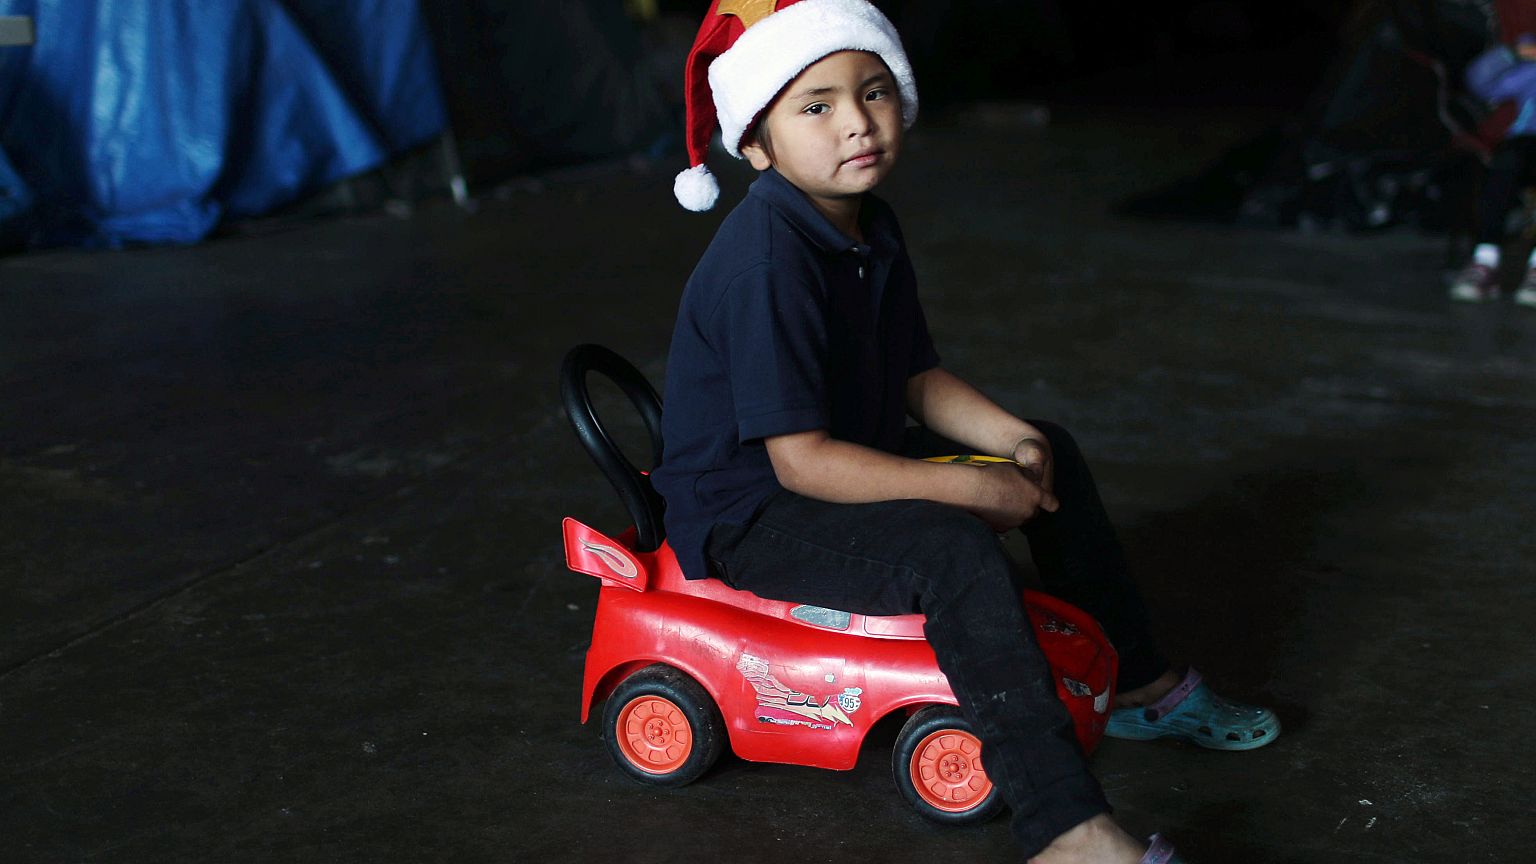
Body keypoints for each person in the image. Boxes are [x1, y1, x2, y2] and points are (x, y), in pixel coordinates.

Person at [651, 2, 1279, 862]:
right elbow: (798, 464)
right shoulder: (769, 263)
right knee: (949, 549)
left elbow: (914, 377)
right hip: (753, 508)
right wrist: (966, 485)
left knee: (1051, 446)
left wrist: (1012, 442)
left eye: (873, 92)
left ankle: (1141, 686)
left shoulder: (868, 224)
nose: (857, 123)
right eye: (816, 106)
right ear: (756, 145)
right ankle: (1068, 830)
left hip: (838, 458)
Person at [1450, 30, 1536, 306]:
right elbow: (1480, 82)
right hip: (1527, 144)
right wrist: (1510, 54)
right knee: (1506, 161)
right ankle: (1485, 261)